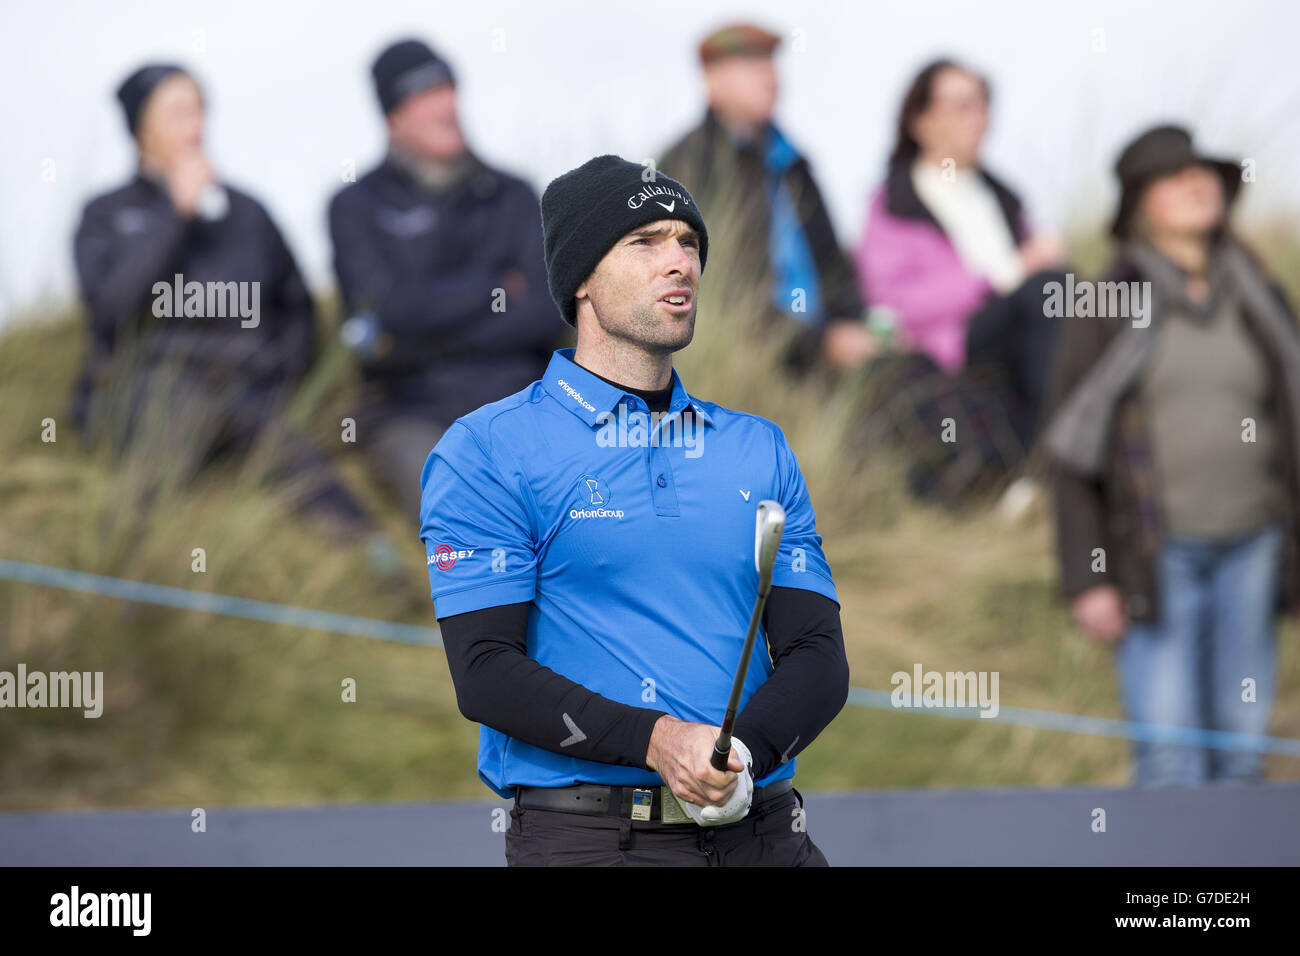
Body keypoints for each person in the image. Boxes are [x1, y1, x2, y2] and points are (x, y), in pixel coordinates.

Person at [419, 155, 849, 866]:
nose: (678, 261)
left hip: (767, 834)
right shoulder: (488, 449)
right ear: (582, 278)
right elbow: (487, 669)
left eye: (688, 242)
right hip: (597, 843)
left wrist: (738, 752)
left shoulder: (757, 448)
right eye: (644, 242)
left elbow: (818, 654)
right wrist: (661, 743)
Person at [1045, 124, 1300, 787]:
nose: (1197, 183)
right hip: (1152, 559)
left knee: (1242, 756)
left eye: (1203, 172)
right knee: (1169, 760)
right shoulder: (1107, 304)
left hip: (1255, 544)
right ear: (1140, 204)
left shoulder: (1258, 295)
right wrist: (1087, 577)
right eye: (1174, 176)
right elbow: (1071, 449)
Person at [73, 64, 374, 535]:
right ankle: (129, 590)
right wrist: (175, 216)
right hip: (153, 390)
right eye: (176, 113)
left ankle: (386, 580)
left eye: (198, 110)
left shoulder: (249, 212)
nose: (195, 127)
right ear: (139, 127)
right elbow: (110, 313)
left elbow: (295, 304)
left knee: (324, 494)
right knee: (143, 503)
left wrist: (285, 376)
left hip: (251, 392)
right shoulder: (106, 215)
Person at [329, 38, 564, 519]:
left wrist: (415, 335)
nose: (445, 105)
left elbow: (544, 312)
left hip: (524, 402)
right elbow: (380, 313)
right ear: (393, 117)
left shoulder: (513, 195)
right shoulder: (355, 206)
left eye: (447, 87)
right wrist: (492, 287)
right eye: (423, 94)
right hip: (411, 412)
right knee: (461, 518)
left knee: (590, 516)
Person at [659, 22, 874, 373]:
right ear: (712, 80)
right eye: (751, 65)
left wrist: (857, 324)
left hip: (827, 348)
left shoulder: (792, 162)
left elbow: (834, 267)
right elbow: (713, 287)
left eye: (772, 63)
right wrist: (818, 344)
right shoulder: (691, 165)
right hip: (752, 356)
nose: (769, 76)